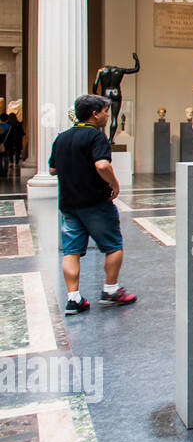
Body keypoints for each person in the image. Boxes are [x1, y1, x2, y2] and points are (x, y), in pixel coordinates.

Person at [48, 95, 137, 315]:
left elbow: (52, 169)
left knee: (71, 251)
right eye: (106, 111)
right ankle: (111, 290)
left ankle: (73, 298)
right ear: (95, 114)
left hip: (69, 204)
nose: (108, 115)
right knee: (113, 245)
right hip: (95, 203)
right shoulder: (96, 137)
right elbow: (102, 164)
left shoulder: (61, 138)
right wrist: (114, 184)